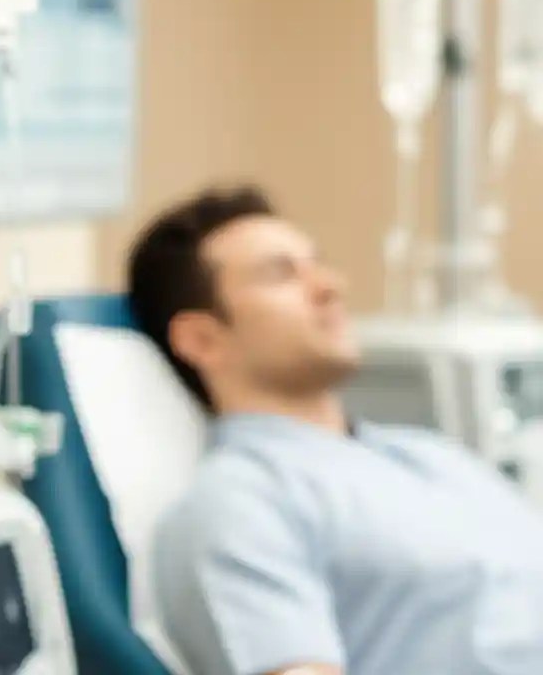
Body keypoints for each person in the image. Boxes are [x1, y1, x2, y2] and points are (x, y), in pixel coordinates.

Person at [126, 186, 543, 675]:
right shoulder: (240, 502)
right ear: (202, 338)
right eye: (281, 273)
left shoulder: (435, 456)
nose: (330, 286)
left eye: (318, 264)